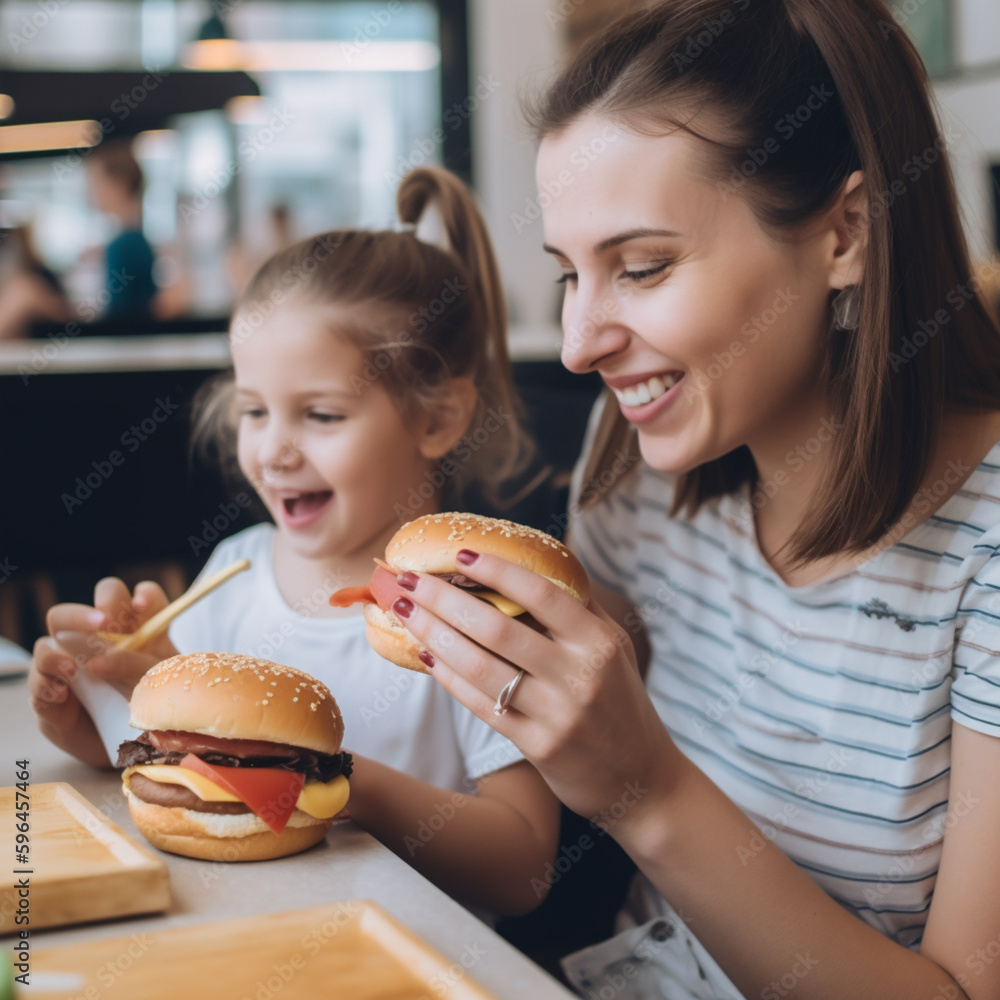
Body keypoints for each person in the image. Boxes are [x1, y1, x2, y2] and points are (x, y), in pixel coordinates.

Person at [386, 2, 1000, 998]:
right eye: (569, 277)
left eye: (641, 266)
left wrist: (646, 793)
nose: (580, 343)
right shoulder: (636, 467)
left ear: (844, 233)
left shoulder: (983, 553)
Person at [28, 166, 559, 918]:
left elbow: (523, 867)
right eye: (254, 411)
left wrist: (336, 782)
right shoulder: (234, 570)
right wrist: (98, 717)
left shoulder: (471, 618)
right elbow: (194, 780)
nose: (273, 451)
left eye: (321, 415)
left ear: (436, 419)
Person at [85, 140, 157, 320]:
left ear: (119, 184)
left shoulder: (122, 246)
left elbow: (118, 316)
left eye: (96, 182)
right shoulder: (134, 239)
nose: (91, 192)